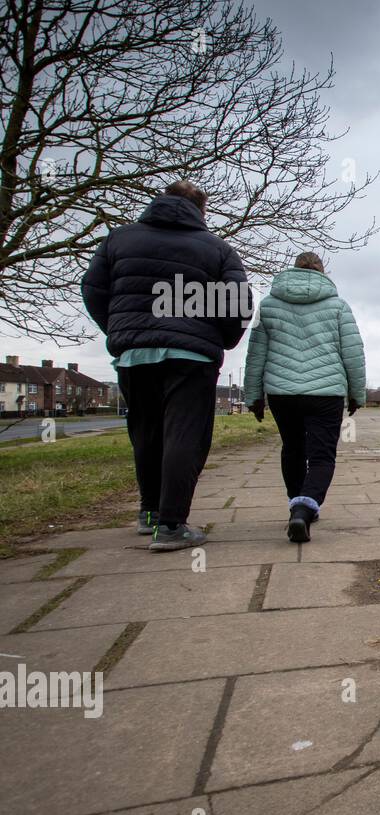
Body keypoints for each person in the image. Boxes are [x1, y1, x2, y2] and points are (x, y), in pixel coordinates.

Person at [81, 180, 251, 552]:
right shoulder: (218, 250)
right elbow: (238, 303)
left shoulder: (118, 239)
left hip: (135, 354)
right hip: (191, 357)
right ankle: (173, 525)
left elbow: (93, 290)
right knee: (184, 435)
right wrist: (219, 338)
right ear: (200, 210)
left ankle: (150, 513)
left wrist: (120, 327)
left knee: (146, 432)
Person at [244, 252, 365, 543]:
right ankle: (305, 506)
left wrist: (254, 396)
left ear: (293, 271)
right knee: (322, 455)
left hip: (282, 393)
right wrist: (356, 393)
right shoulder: (338, 306)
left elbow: (256, 354)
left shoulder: (268, 305)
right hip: (326, 393)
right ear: (321, 273)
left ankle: (297, 504)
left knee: (293, 449)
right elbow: (353, 354)